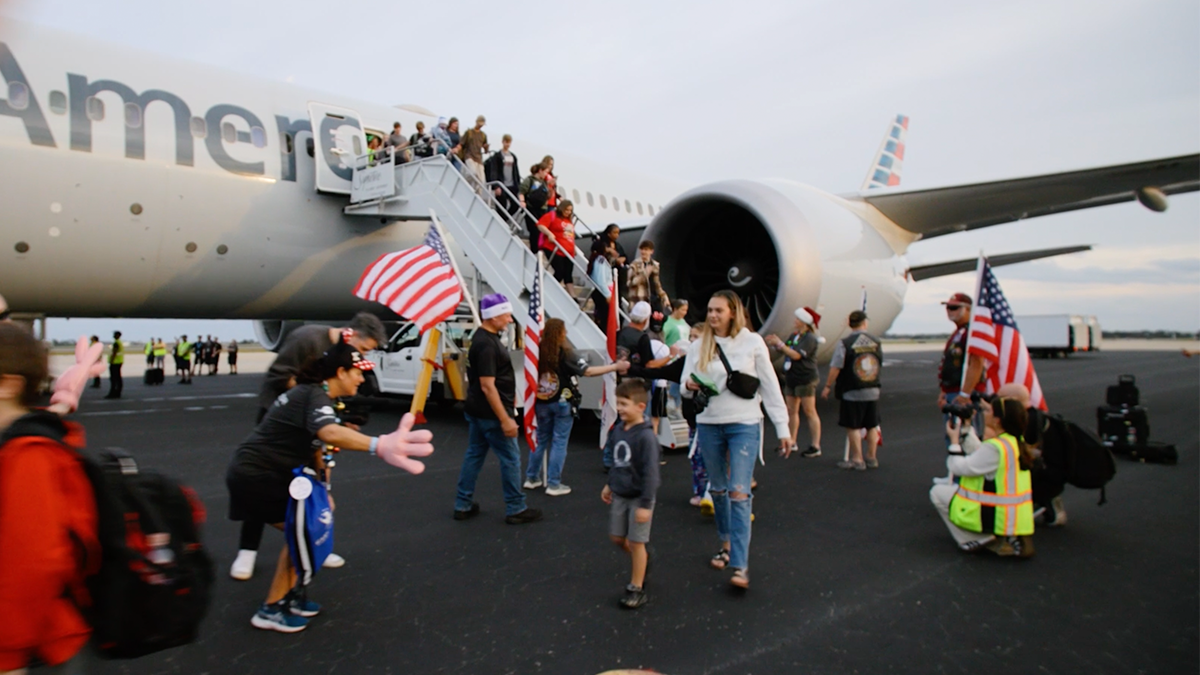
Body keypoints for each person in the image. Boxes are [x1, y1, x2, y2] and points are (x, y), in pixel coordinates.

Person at [225, 338, 435, 633]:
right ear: (340, 372)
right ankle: (271, 608)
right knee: (304, 531)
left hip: (265, 472)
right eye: (357, 372)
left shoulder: (317, 396)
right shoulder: (314, 396)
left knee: (309, 527)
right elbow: (329, 433)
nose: (361, 379)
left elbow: (318, 448)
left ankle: (289, 596)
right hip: (257, 475)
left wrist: (323, 490)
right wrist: (379, 444)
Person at [232, 313, 387, 581]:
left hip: (313, 419)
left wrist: (333, 416)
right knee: (264, 484)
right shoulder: (308, 339)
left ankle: (314, 541)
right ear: (351, 335)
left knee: (313, 480)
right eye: (362, 349)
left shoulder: (338, 362)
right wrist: (317, 401)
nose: (361, 357)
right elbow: (279, 377)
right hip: (281, 420)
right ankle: (248, 550)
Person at [0, 324, 102, 673]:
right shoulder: (20, 436)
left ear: (7, 385)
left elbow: (33, 565)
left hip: (42, 641)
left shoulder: (29, 457)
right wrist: (65, 397)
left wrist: (7, 656)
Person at [681, 290, 793, 589]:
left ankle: (740, 566)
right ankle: (725, 544)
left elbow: (770, 386)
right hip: (709, 423)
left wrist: (783, 428)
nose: (712, 315)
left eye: (718, 310)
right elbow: (683, 386)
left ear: (733, 312)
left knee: (739, 492)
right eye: (709, 310)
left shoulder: (752, 342)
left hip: (744, 423)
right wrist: (689, 385)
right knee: (717, 490)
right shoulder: (699, 345)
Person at [454, 294, 542, 524]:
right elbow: (487, 385)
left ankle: (463, 504)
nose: (510, 320)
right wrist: (505, 419)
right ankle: (515, 508)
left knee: (474, 455)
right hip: (492, 414)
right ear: (493, 317)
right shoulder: (487, 345)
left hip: (477, 409)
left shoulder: (481, 339)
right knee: (511, 458)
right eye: (506, 315)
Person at [524, 318, 628, 495]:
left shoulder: (536, 351)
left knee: (540, 439)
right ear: (560, 334)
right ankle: (554, 483)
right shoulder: (566, 354)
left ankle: (532, 477)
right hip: (563, 401)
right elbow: (588, 371)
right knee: (559, 441)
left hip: (542, 402)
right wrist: (614, 367)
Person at [929, 395, 1035, 557]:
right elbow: (980, 456)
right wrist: (966, 428)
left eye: (989, 411)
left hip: (996, 514)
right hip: (1013, 516)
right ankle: (1007, 536)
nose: (985, 413)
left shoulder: (995, 448)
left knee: (937, 492)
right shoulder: (1013, 441)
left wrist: (954, 442)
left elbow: (958, 467)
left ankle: (976, 539)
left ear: (997, 420)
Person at [600, 379, 660, 609]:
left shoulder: (646, 437)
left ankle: (636, 587)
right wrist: (610, 484)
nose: (620, 408)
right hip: (620, 494)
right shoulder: (619, 431)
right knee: (617, 538)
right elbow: (617, 462)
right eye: (618, 403)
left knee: (636, 542)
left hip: (639, 497)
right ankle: (643, 558)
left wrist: (645, 505)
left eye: (624, 404)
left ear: (640, 407)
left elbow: (651, 473)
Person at [821, 310, 881, 471]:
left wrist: (828, 385)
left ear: (849, 324)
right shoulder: (876, 342)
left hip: (852, 390)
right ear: (865, 323)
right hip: (872, 388)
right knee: (872, 425)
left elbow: (836, 367)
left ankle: (857, 459)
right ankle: (872, 457)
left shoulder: (845, 343)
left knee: (853, 426)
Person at [766, 307, 822, 457]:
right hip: (792, 377)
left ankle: (816, 445)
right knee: (791, 410)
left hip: (805, 377)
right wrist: (776, 344)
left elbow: (796, 355)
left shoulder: (809, 339)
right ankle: (791, 441)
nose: (795, 321)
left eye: (798, 319)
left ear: (804, 322)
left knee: (809, 411)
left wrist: (780, 344)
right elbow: (785, 349)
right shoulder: (795, 335)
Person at [938, 293, 987, 442]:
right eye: (948, 307)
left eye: (954, 307)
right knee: (954, 435)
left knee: (966, 439)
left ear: (968, 309)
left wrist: (965, 394)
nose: (949, 311)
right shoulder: (959, 332)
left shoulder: (972, 332)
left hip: (963, 394)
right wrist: (944, 392)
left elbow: (976, 364)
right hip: (952, 392)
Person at [588, 224, 628, 326]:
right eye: (614, 232)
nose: (617, 235)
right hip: (605, 287)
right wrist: (607, 295)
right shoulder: (601, 259)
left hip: (614, 280)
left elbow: (625, 257)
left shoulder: (618, 245)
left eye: (618, 233)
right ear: (608, 233)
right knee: (605, 315)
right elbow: (600, 280)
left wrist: (622, 259)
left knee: (617, 314)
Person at [627, 240, 670, 334]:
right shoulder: (634, 265)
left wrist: (663, 296)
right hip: (639, 300)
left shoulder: (655, 265)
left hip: (652, 299)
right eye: (642, 249)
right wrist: (644, 274)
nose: (643, 252)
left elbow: (657, 284)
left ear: (651, 251)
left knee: (654, 326)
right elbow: (630, 283)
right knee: (639, 327)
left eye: (646, 249)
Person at [537, 200, 578, 295]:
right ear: (561, 208)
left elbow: (570, 235)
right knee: (559, 271)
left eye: (570, 210)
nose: (568, 212)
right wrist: (549, 233)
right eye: (566, 210)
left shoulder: (568, 220)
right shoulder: (552, 215)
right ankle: (547, 291)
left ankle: (573, 296)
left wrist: (574, 248)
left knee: (568, 274)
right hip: (555, 249)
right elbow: (540, 225)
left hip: (568, 252)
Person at [484, 133, 521, 216]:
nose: (507, 144)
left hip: (512, 185)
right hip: (501, 184)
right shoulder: (497, 156)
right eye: (506, 142)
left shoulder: (513, 156)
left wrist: (518, 185)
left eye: (509, 142)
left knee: (516, 204)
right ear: (503, 142)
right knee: (501, 205)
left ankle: (505, 218)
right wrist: (496, 186)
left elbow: (516, 171)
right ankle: (502, 218)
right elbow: (494, 170)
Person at [616, 301, 656, 377]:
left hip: (617, 377)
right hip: (635, 379)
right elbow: (649, 364)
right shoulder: (643, 338)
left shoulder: (619, 333)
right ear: (646, 319)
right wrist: (670, 356)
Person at [519, 163, 550, 254]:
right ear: (540, 171)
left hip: (542, 209)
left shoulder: (544, 183)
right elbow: (522, 191)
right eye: (545, 172)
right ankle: (534, 251)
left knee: (541, 231)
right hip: (532, 208)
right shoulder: (529, 180)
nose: (546, 175)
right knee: (534, 231)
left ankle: (538, 250)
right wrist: (522, 201)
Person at [460, 115, 489, 194]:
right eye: (480, 124)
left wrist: (486, 148)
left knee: (481, 180)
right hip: (469, 156)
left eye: (482, 124)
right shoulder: (469, 132)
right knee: (473, 173)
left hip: (479, 158)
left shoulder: (483, 135)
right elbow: (461, 144)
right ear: (476, 122)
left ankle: (478, 194)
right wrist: (456, 149)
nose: (481, 126)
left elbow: (485, 150)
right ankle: (463, 180)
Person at [105, 329, 125, 399]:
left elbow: (114, 352)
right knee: (118, 378)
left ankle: (113, 392)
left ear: (118, 335)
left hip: (115, 363)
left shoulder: (116, 343)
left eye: (115, 334)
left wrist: (111, 361)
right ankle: (117, 392)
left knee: (114, 379)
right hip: (119, 362)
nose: (113, 335)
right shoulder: (119, 342)